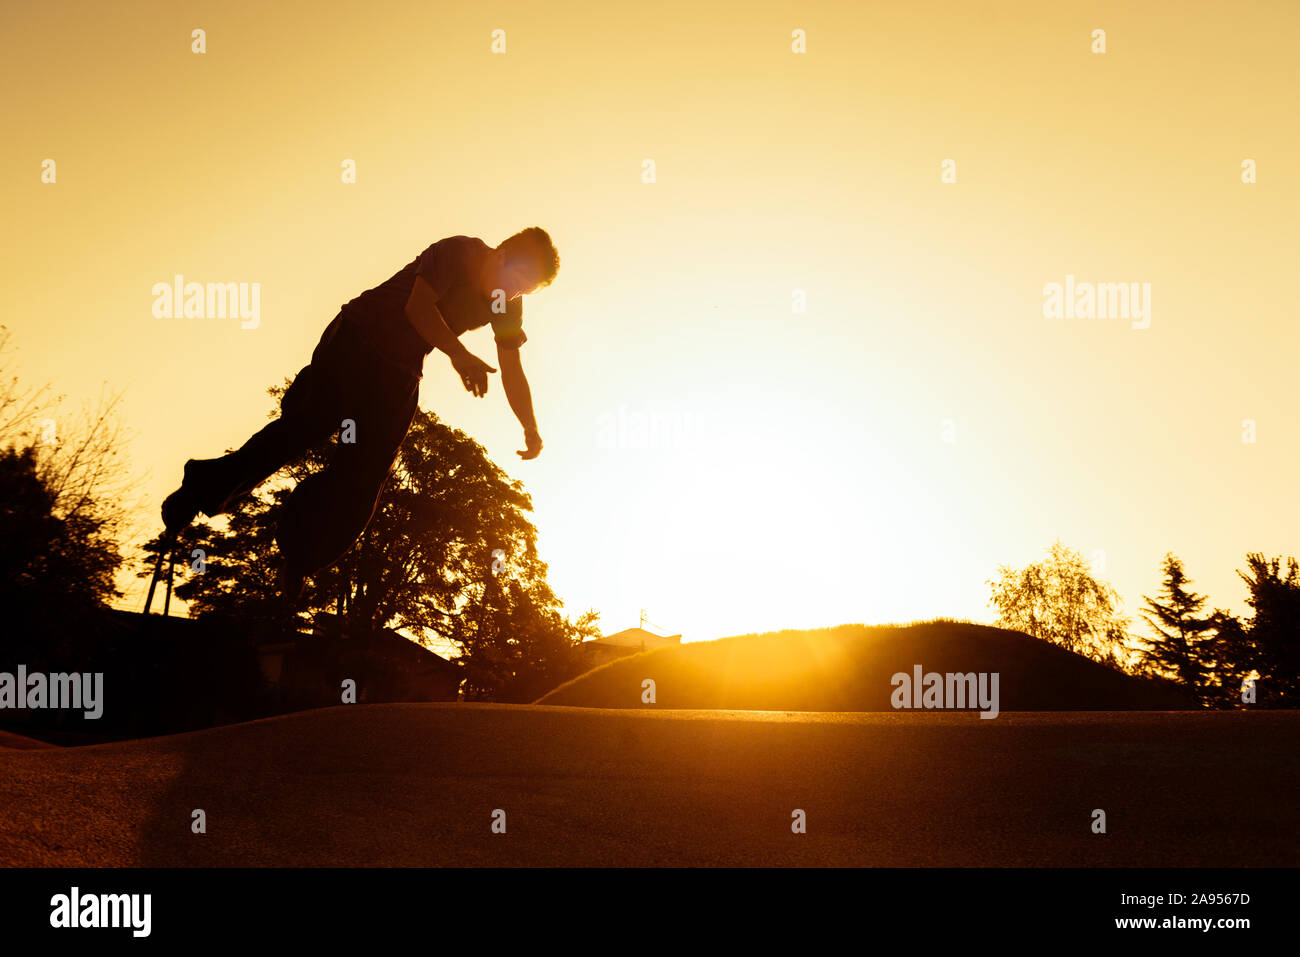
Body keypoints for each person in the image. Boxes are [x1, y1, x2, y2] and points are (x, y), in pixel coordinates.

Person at [159, 227, 558, 603]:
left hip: (400, 370)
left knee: (366, 475)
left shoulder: (508, 304)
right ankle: (200, 487)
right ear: (502, 255)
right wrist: (459, 354)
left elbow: (512, 367)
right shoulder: (458, 252)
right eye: (515, 281)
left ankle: (301, 552)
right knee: (303, 428)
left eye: (525, 290)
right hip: (356, 340)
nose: (512, 294)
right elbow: (417, 309)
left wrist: (530, 426)